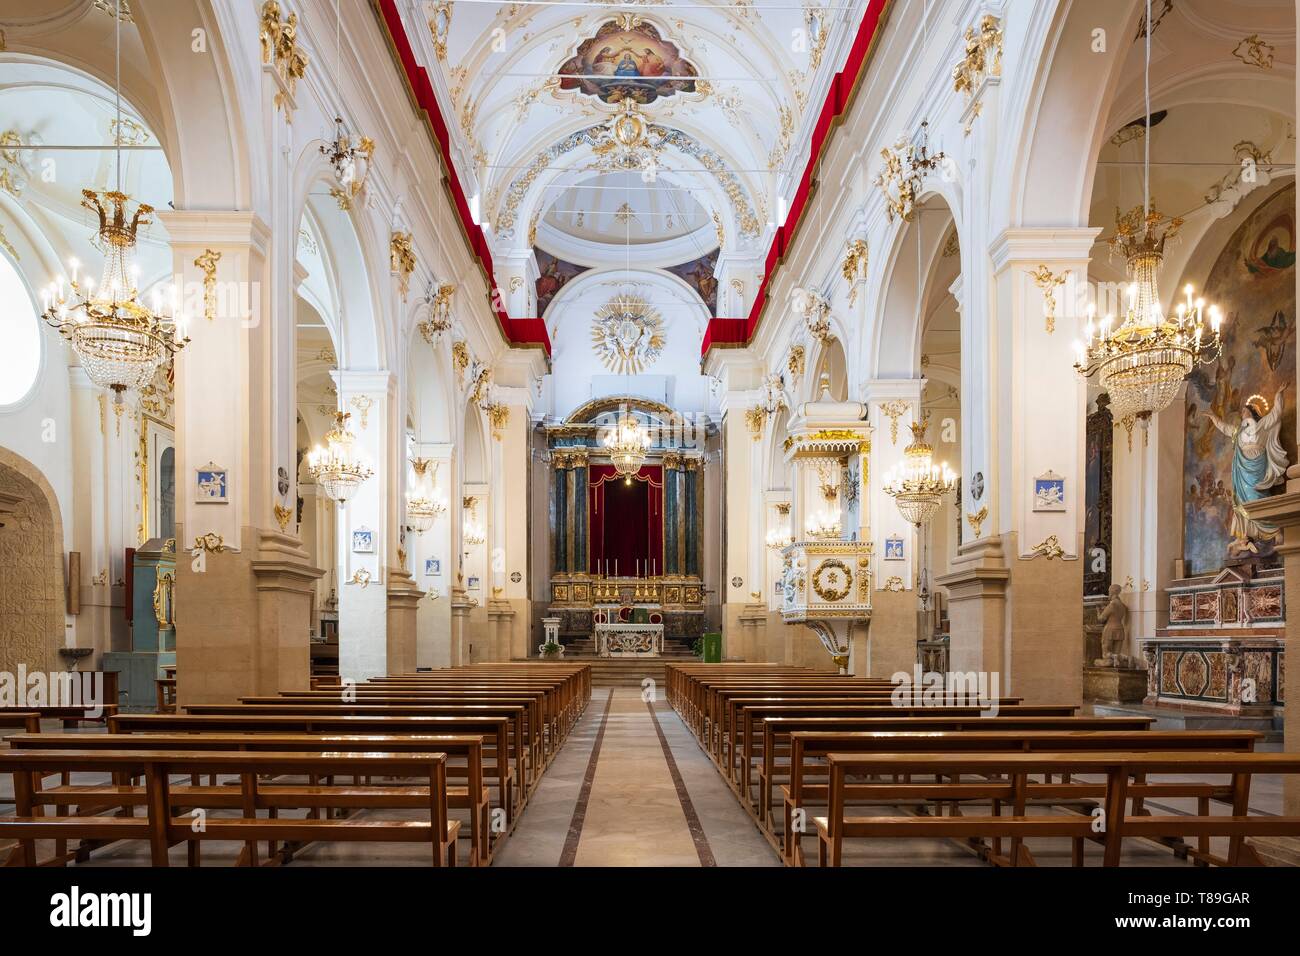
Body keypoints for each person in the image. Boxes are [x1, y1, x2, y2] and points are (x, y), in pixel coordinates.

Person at [1202, 384, 1289, 552]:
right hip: (1242, 471)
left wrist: (1278, 394)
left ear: (1252, 412)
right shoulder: (1238, 432)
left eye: (1244, 411)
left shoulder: (1262, 425)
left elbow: (1276, 413)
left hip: (1257, 466)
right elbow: (1224, 428)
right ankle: (1246, 536)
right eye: (1242, 412)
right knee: (1243, 502)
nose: (1242, 414)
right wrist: (1213, 417)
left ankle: (1274, 530)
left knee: (1256, 498)